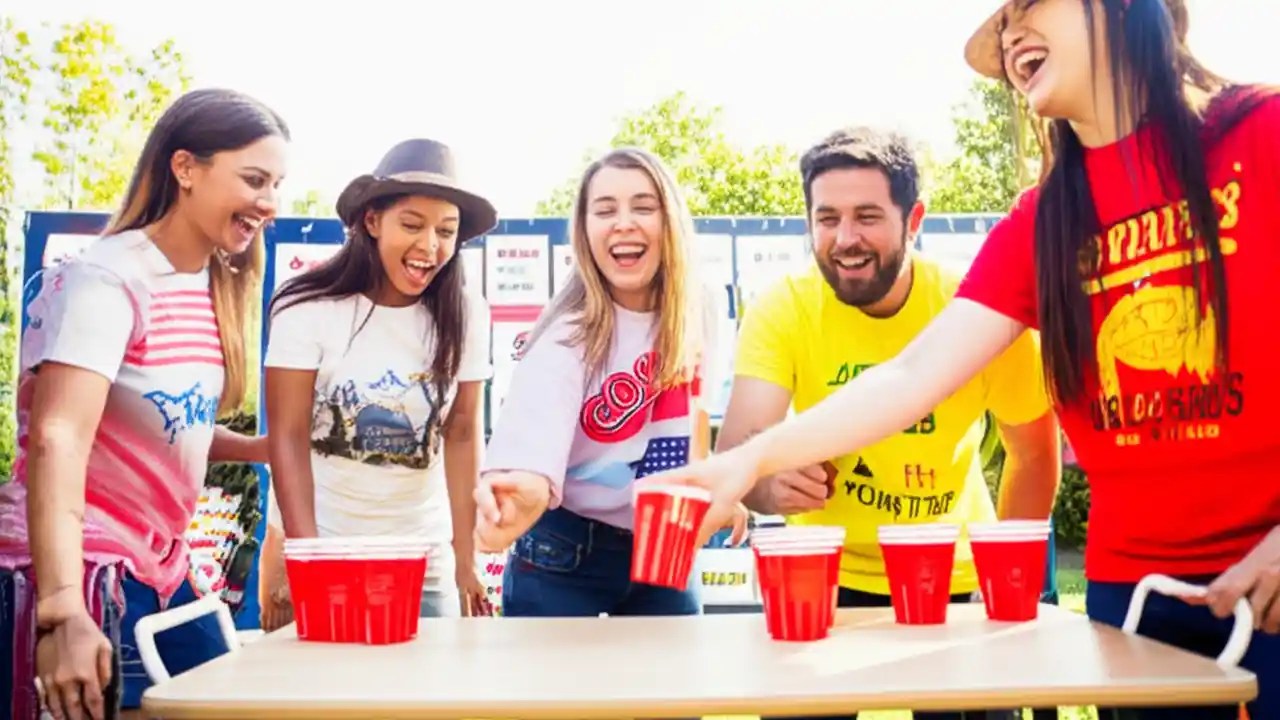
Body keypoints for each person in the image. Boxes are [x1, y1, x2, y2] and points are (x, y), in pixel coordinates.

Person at [642, 1, 1280, 718]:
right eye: (1003, 25)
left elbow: (1029, 453)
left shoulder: (1260, 131)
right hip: (1130, 594)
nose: (1011, 37)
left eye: (1029, 8)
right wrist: (748, 463)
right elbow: (912, 376)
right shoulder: (1039, 220)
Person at [718, 126, 1060, 720]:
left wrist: (1007, 574)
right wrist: (770, 486)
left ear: (915, 218)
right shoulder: (783, 306)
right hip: (819, 579)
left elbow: (1032, 452)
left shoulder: (976, 308)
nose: (845, 239)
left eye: (867, 216)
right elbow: (742, 453)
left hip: (952, 576)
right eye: (826, 218)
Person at [0, 87, 287, 720]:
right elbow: (59, 436)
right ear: (185, 168)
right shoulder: (109, 277)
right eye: (254, 179)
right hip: (86, 568)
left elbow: (165, 420)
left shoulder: (204, 280)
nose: (269, 202)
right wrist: (62, 612)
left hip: (161, 563)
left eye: (277, 184)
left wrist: (265, 449)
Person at [472, 147, 741, 617]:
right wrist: (519, 497)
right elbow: (531, 456)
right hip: (563, 551)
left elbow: (694, 418)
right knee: (557, 694)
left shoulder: (701, 305)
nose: (623, 223)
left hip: (666, 545)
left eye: (643, 206)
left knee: (677, 690)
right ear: (584, 231)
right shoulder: (567, 332)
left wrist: (715, 487)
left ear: (671, 221)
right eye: (605, 210)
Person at [260, 138, 497, 626]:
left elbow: (463, 432)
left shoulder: (468, 314)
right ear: (372, 221)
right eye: (412, 225)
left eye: (446, 232)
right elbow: (287, 435)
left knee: (426, 702)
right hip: (320, 543)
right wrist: (305, 561)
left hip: (420, 562)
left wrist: (465, 559)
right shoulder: (306, 307)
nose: (430, 246)